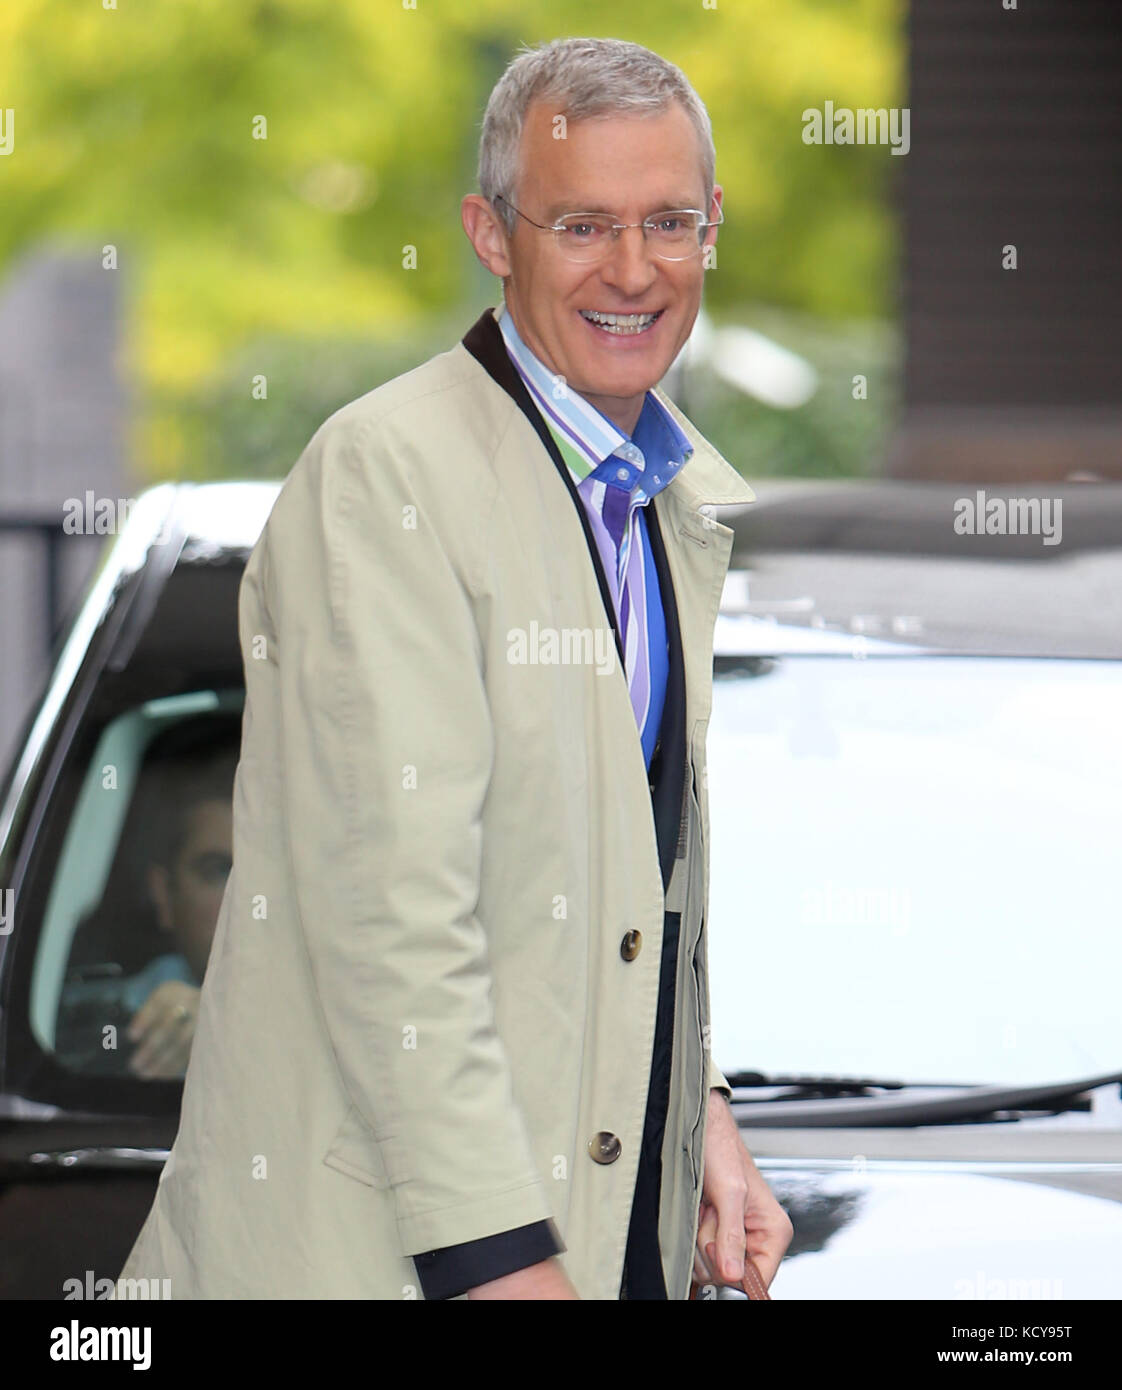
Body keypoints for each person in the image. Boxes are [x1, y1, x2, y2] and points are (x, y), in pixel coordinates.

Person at [116, 35, 793, 1300]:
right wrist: (499, 1263)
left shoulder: (658, 494)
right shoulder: (387, 481)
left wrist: (695, 1118)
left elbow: (617, 893)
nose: (635, 270)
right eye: (583, 223)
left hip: (599, 1232)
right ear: (491, 232)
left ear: (715, 227)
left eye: (670, 222)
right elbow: (392, 915)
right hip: (400, 1263)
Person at [56, 713, 238, 1079]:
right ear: (164, 895)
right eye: (219, 871)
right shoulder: (103, 1027)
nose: (248, 898)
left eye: (267, 874)